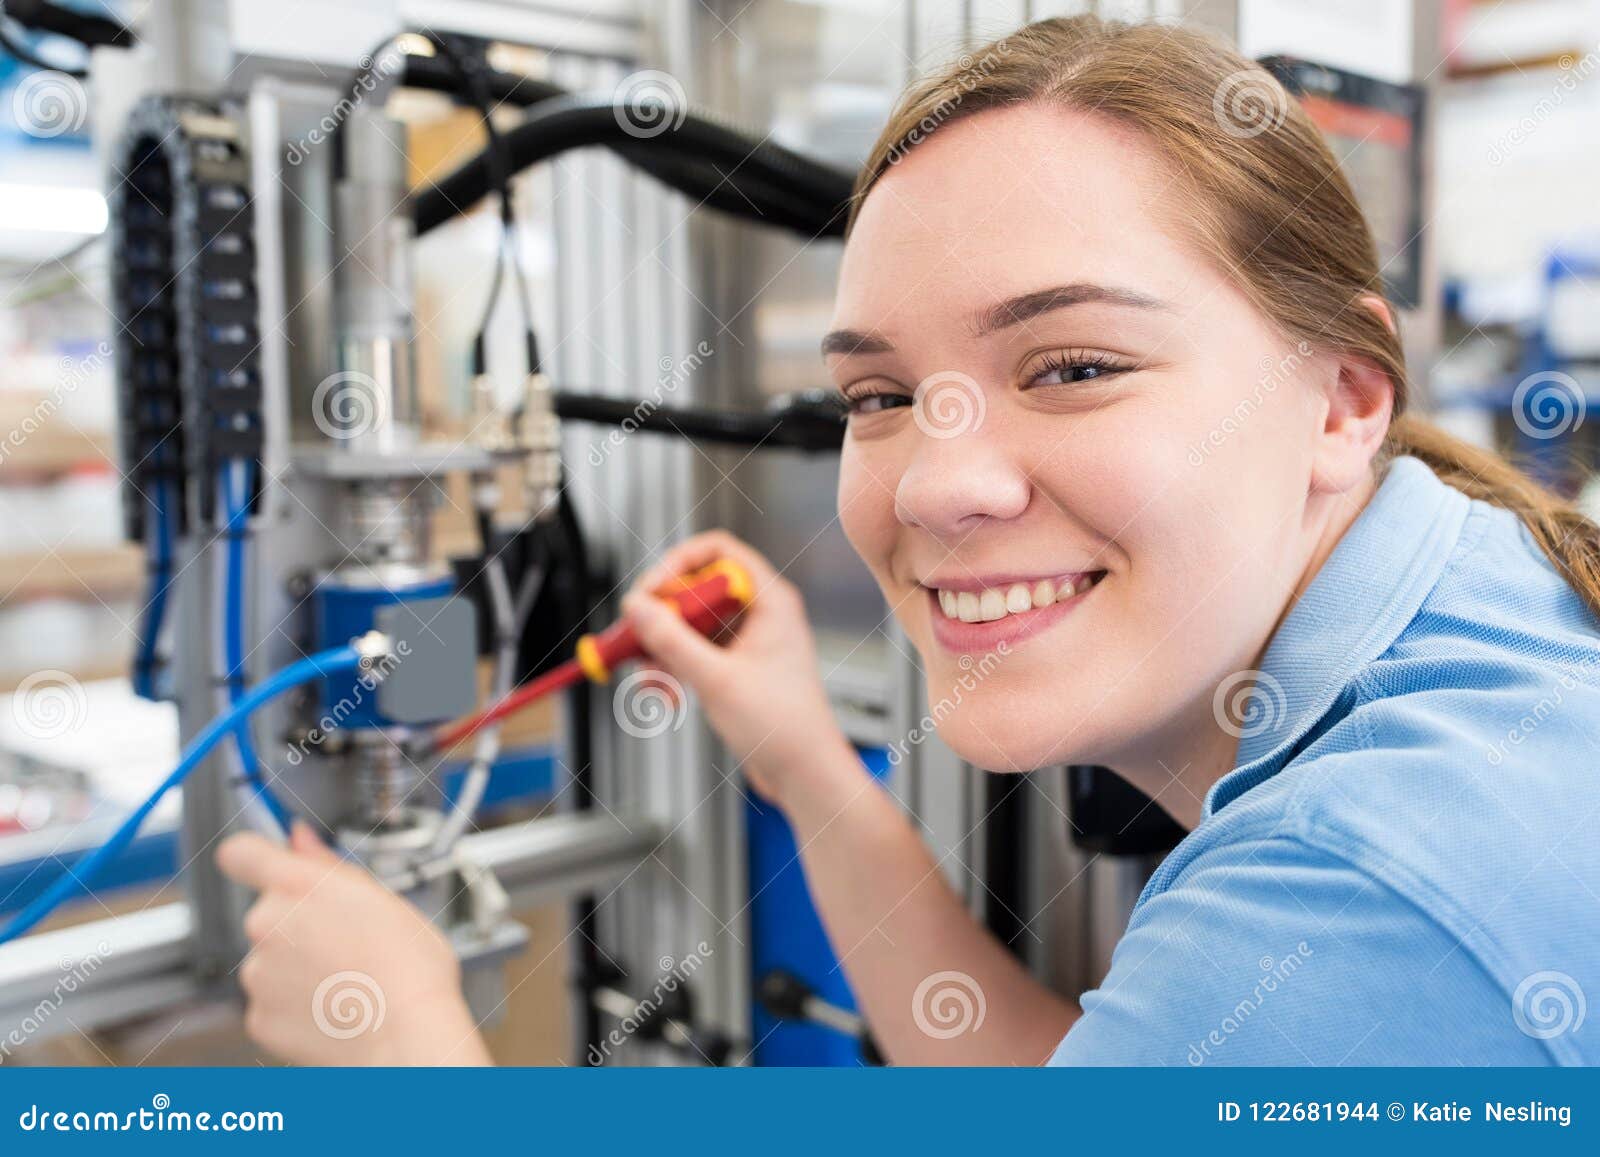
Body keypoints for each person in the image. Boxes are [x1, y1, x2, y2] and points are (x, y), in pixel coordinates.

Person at [217, 15, 1600, 1066]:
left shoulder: (1360, 888)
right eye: (877, 396)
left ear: (1345, 399)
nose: (938, 486)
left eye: (1072, 366)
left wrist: (407, 1049)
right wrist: (805, 766)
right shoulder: (1485, 605)